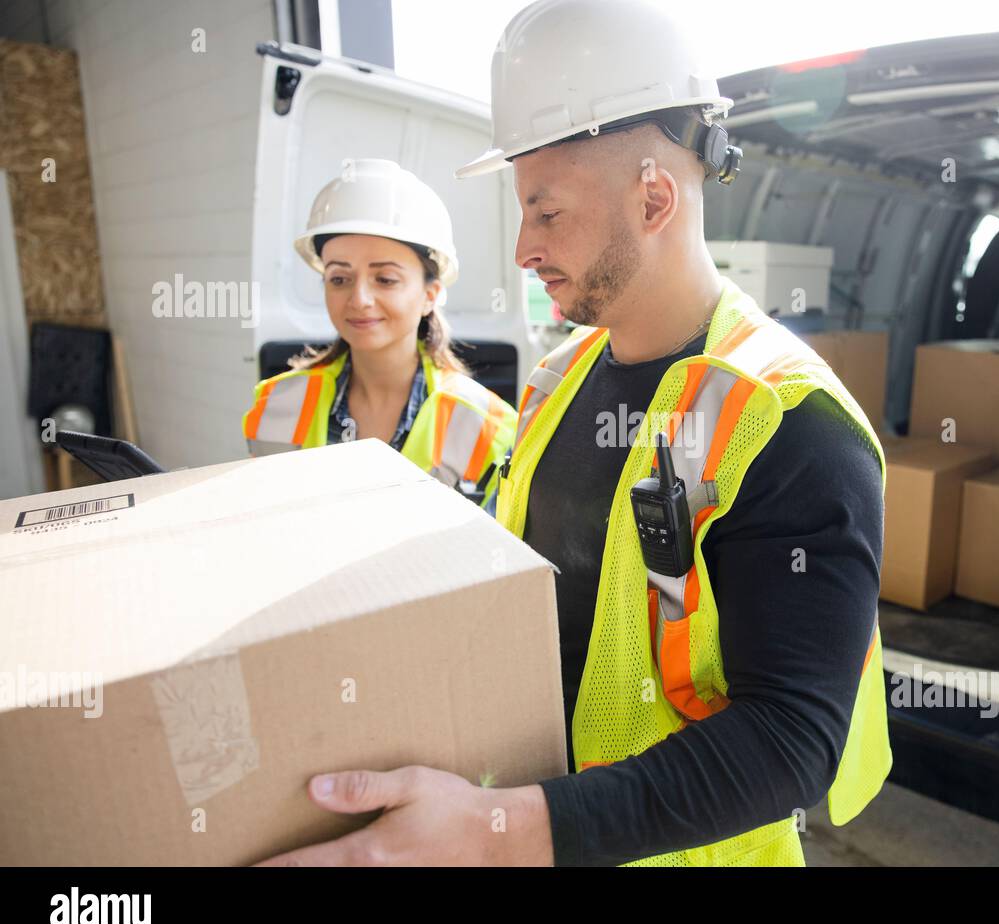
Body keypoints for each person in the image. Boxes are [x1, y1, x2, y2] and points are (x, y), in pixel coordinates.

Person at [258, 0, 890, 867]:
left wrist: (502, 834)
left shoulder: (785, 420)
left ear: (655, 196)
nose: (523, 247)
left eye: (546, 213)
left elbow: (791, 738)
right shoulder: (561, 377)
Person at [241, 158, 516, 507]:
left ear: (429, 296)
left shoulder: (484, 425)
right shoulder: (278, 406)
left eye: (385, 279)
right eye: (339, 278)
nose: (359, 299)